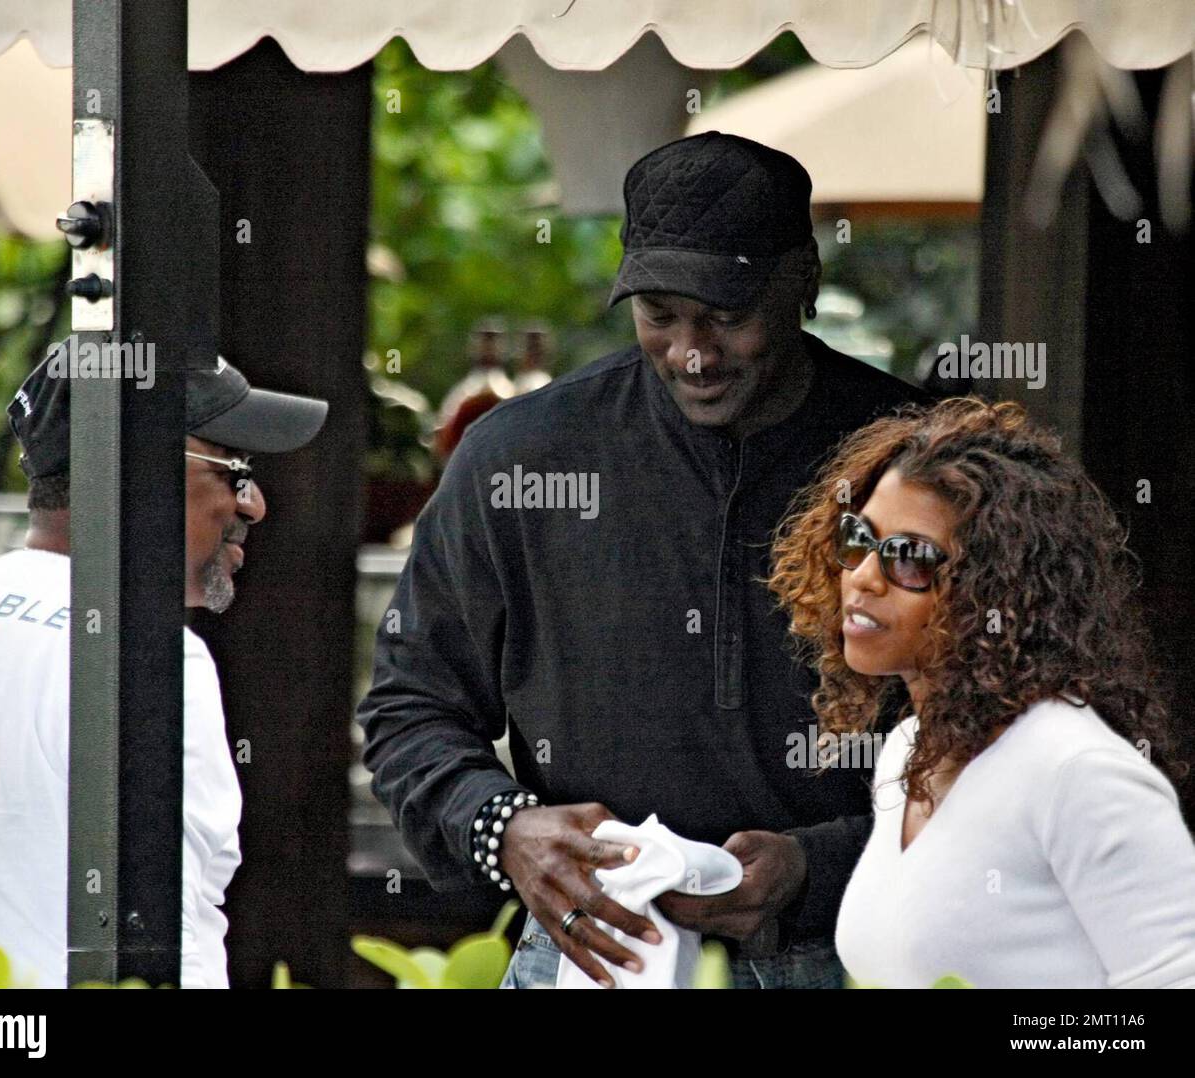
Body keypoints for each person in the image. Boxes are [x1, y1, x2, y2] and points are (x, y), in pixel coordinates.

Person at [358, 131, 930, 989]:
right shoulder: (519, 459)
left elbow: (1003, 730)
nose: (692, 353)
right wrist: (504, 828)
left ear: (803, 283)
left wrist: (822, 863)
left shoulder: (917, 464)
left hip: (867, 949)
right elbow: (410, 710)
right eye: (660, 315)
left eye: (727, 317)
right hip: (596, 952)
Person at [0, 346, 326, 987]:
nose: (254, 503)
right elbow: (169, 943)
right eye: (234, 469)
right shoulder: (148, 654)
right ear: (138, 467)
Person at [768, 397, 1195, 988]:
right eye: (858, 538)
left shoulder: (1078, 772)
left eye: (910, 558)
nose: (864, 575)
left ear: (997, 591)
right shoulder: (905, 751)